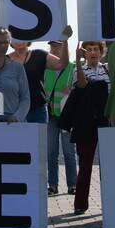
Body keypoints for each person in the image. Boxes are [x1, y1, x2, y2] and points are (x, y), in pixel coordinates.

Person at [60, 40, 110, 214]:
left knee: (109, 165)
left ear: (101, 51)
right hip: (86, 123)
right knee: (85, 164)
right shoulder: (77, 70)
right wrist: (78, 62)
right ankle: (80, 204)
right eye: (89, 50)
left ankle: (111, 202)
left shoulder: (107, 69)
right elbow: (81, 84)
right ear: (84, 53)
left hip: (105, 121)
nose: (93, 52)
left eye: (96, 49)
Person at [44, 26, 78, 196]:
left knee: (69, 152)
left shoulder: (72, 67)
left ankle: (72, 185)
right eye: (53, 47)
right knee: (51, 153)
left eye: (58, 46)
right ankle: (53, 185)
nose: (55, 49)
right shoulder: (46, 67)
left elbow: (80, 90)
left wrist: (70, 92)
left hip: (67, 117)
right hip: (50, 116)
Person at [10, 40, 49, 125]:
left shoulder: (40, 54)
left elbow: (61, 64)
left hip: (37, 109)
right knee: (16, 138)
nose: (19, 41)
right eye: (15, 38)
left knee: (38, 138)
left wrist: (65, 41)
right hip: (14, 111)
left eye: (21, 37)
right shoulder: (5, 60)